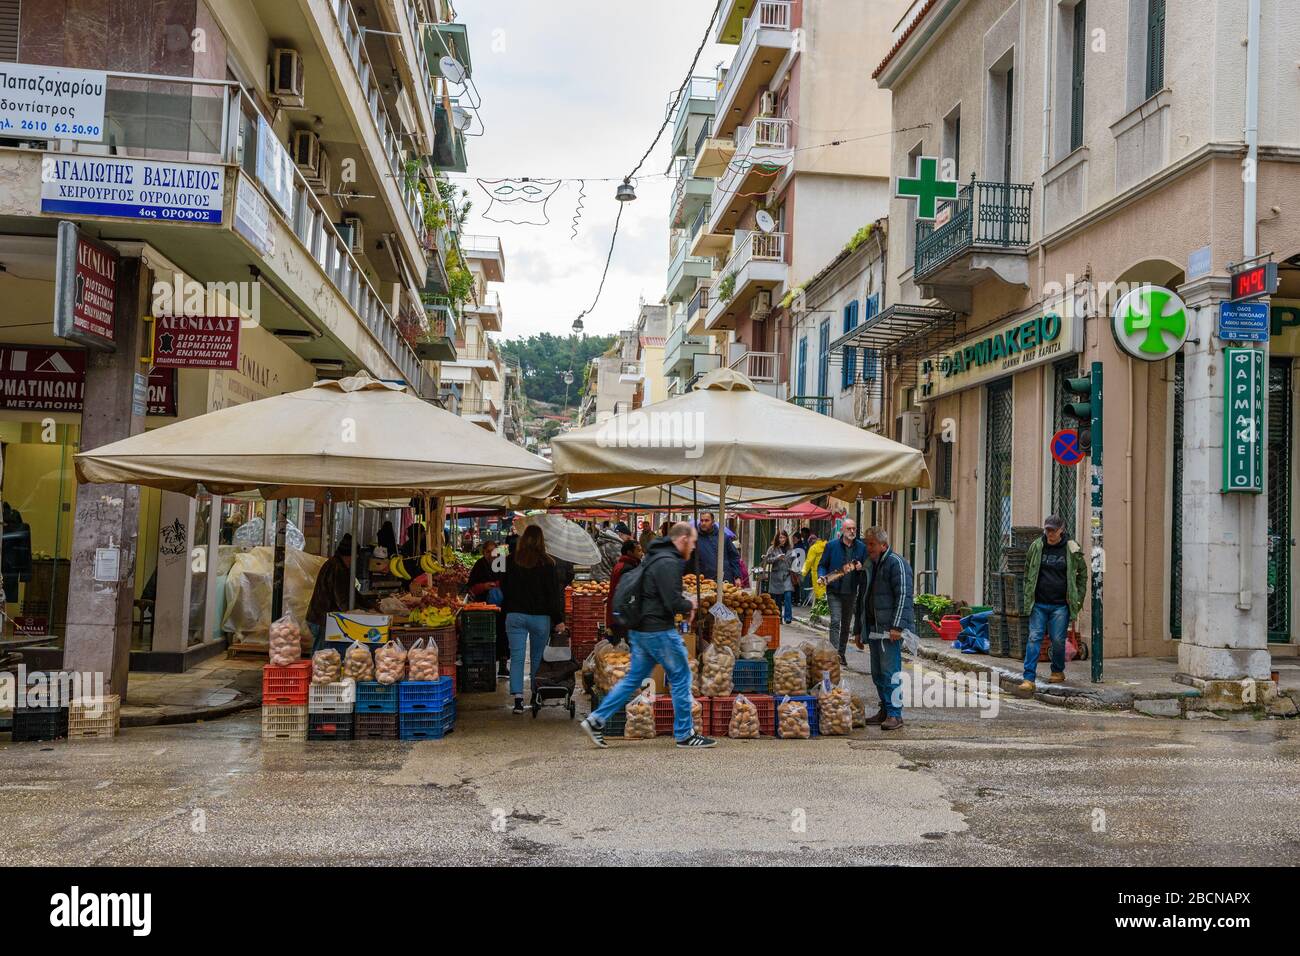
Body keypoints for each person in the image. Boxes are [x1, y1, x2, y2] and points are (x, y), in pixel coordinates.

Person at [580, 522, 717, 749]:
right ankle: (685, 734)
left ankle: (596, 720)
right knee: (682, 676)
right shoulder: (668, 562)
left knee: (633, 679)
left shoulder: (655, 557)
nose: (693, 547)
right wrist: (689, 603)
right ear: (682, 539)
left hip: (641, 630)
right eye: (692, 542)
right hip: (658, 630)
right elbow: (671, 601)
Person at [851, 527, 914, 731]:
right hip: (874, 628)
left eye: (871, 544)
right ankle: (885, 710)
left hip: (889, 630)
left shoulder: (896, 563)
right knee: (877, 673)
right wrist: (859, 630)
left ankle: (895, 714)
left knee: (890, 672)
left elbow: (904, 595)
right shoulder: (870, 564)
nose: (868, 547)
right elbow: (862, 598)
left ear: (883, 545)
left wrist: (897, 626)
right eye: (867, 543)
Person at [501, 525, 566, 714]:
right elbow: (553, 595)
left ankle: (518, 700)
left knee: (517, 657)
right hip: (540, 617)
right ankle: (535, 694)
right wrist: (558, 619)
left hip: (515, 615)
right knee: (537, 658)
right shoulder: (548, 563)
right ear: (541, 541)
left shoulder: (509, 561)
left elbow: (504, 588)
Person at [1019, 515, 1087, 693]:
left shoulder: (1072, 548)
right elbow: (1028, 572)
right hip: (1039, 603)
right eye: (1047, 530)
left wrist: (1077, 599)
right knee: (1034, 637)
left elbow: (1082, 575)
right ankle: (1028, 678)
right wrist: (1028, 597)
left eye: (1053, 530)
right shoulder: (1037, 546)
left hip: (1060, 605)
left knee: (1057, 640)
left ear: (1061, 530)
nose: (1050, 533)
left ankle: (1057, 670)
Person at [818, 519, 866, 664]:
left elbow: (868, 565)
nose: (852, 531)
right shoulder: (831, 546)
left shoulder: (861, 548)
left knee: (846, 624)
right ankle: (833, 655)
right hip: (834, 590)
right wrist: (821, 575)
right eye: (849, 529)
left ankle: (841, 653)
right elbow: (822, 565)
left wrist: (861, 567)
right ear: (843, 530)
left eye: (854, 529)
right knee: (835, 621)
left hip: (850, 591)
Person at [307, 534, 355, 652]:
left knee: (322, 654)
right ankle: (315, 670)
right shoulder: (337, 568)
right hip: (322, 618)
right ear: (349, 556)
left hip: (320, 617)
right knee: (321, 654)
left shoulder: (335, 564)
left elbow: (352, 593)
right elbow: (341, 597)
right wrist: (353, 613)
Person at [606, 539, 643, 637]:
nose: (642, 553)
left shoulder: (622, 564)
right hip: (623, 614)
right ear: (630, 552)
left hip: (617, 612)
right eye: (638, 550)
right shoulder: (627, 568)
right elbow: (628, 594)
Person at [693, 511, 741, 583]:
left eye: (706, 520)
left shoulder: (723, 537)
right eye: (701, 520)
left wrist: (737, 576)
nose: (703, 523)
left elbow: (734, 557)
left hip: (725, 579)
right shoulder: (695, 538)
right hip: (705, 581)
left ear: (713, 522)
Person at [762, 530, 796, 624]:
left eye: (784, 537)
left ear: (786, 538)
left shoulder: (790, 549)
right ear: (777, 538)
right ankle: (778, 617)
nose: (782, 539)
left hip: (787, 575)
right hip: (776, 576)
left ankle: (788, 617)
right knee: (777, 598)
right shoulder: (772, 548)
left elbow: (795, 561)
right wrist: (777, 558)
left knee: (788, 595)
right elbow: (766, 560)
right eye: (780, 537)